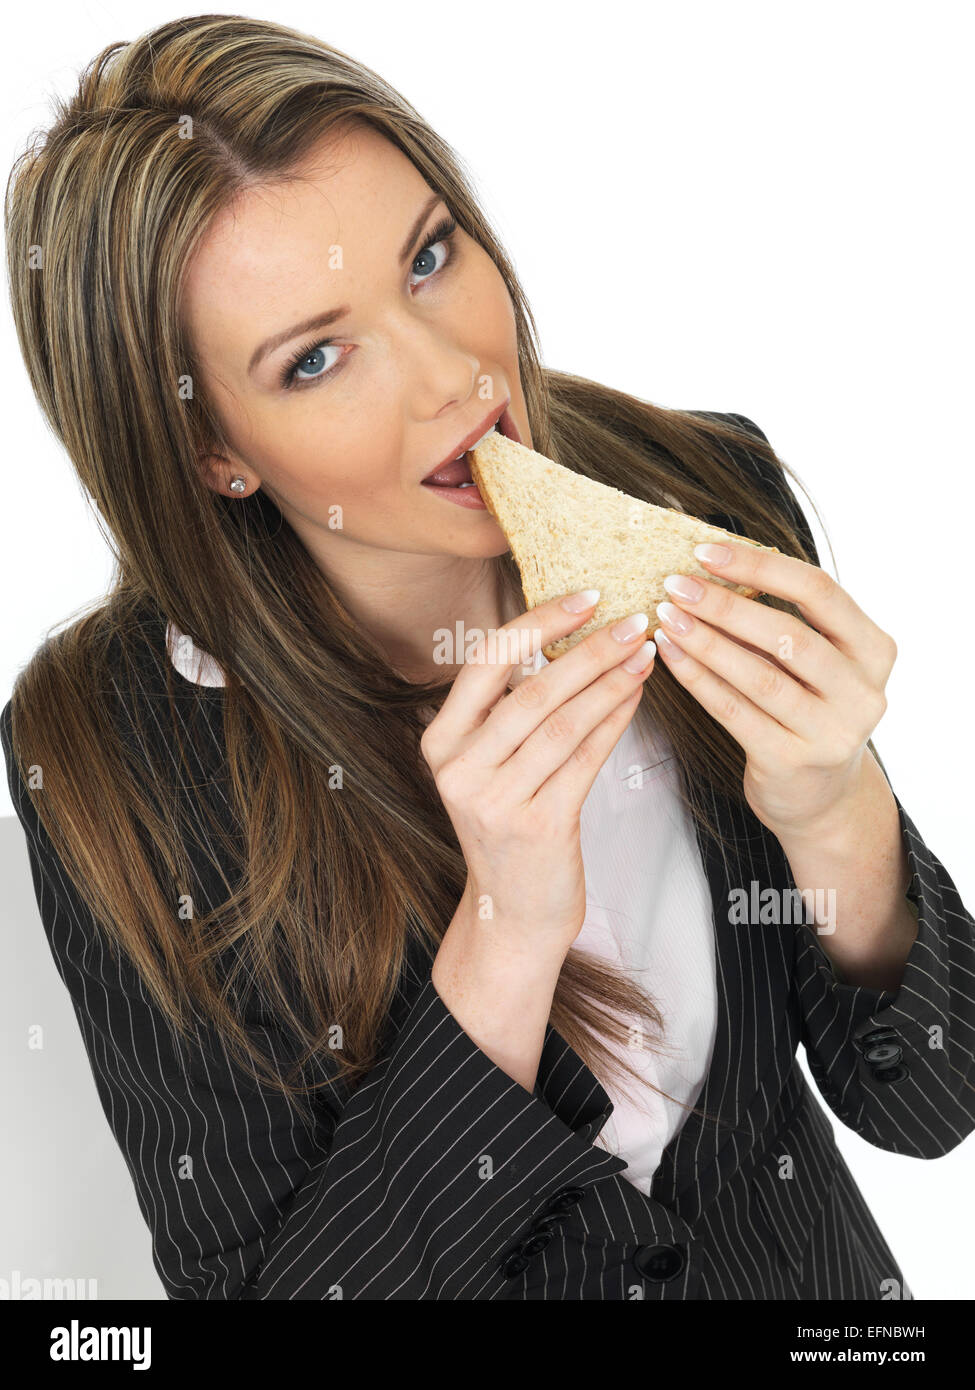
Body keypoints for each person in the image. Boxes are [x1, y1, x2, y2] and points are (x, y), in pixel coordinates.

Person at [3, 15, 972, 1300]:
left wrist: (835, 812)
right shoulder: (110, 754)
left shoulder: (702, 497)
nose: (453, 373)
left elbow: (928, 1103)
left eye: (428, 257)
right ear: (209, 453)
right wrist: (506, 935)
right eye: (315, 358)